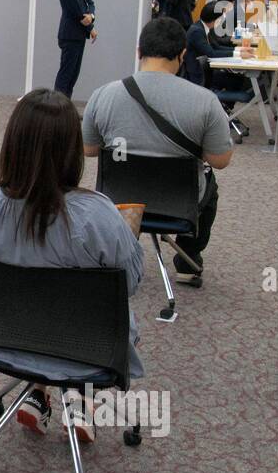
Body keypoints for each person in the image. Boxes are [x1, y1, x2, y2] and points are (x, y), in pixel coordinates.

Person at [0, 89, 144, 441]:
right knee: (96, 315)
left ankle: (38, 393)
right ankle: (79, 396)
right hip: (87, 347)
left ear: (11, 143)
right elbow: (130, 283)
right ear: (72, 150)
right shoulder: (100, 215)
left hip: (5, 339)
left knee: (39, 311)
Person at [82, 18, 235, 284]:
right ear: (182, 54)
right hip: (180, 204)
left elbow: (90, 149)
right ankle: (187, 262)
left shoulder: (102, 95)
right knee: (210, 187)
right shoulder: (205, 101)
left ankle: (118, 254)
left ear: (139, 52)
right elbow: (220, 160)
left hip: (121, 201)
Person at [55, 0, 96, 99]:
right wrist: (90, 27)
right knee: (66, 74)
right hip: (70, 34)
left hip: (79, 35)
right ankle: (57, 109)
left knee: (73, 75)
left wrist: (91, 16)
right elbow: (76, 10)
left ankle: (66, 107)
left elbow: (90, 3)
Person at [184, 1, 253, 87]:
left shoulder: (204, 27)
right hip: (197, 74)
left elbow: (216, 47)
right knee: (238, 81)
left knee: (239, 79)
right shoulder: (197, 31)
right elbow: (212, 53)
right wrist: (239, 54)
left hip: (206, 69)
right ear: (215, 19)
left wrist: (239, 50)